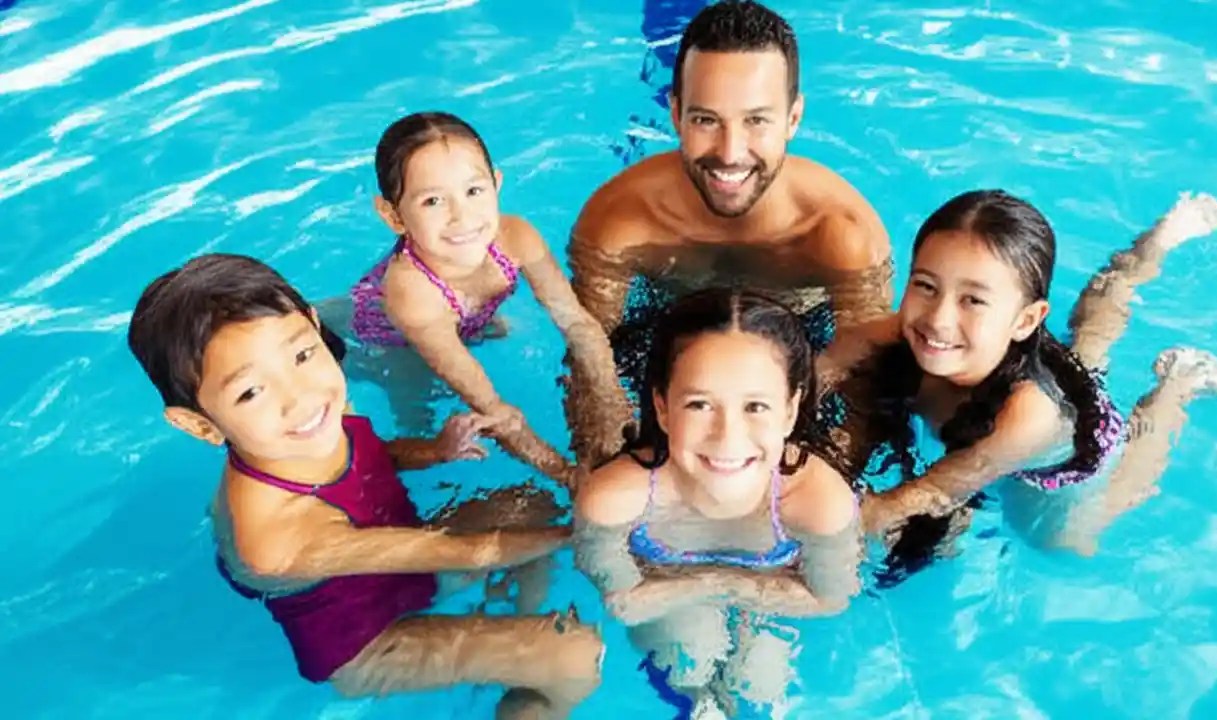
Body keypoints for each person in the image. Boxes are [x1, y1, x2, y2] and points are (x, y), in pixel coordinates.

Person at [127, 253, 602, 718]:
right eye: (251, 391)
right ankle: (529, 704)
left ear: (315, 326)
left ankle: (510, 628)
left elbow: (371, 453)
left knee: (529, 504)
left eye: (301, 354)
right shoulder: (276, 537)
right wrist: (591, 529)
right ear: (200, 425)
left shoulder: (319, 412)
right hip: (370, 645)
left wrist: (434, 450)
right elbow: (468, 552)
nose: (301, 395)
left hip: (404, 576)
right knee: (578, 653)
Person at [827, 190, 1217, 580]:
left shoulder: (1028, 417)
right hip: (1042, 369)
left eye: (973, 300)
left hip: (1068, 447)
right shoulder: (899, 334)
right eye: (926, 286)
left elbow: (938, 489)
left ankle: (1182, 383)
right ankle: (1158, 242)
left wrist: (832, 528)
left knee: (1065, 540)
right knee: (1088, 342)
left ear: (1025, 319)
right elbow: (809, 374)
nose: (939, 318)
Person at [566, 0, 893, 415]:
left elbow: (864, 384)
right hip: (665, 327)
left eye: (756, 120)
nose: (730, 152)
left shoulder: (841, 234)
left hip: (800, 341)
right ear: (675, 113)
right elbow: (589, 369)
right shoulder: (620, 223)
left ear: (794, 118)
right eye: (706, 120)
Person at [574, 288, 863, 717]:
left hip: (732, 597)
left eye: (755, 406)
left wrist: (721, 586)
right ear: (662, 406)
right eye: (699, 404)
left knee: (760, 683)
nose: (727, 435)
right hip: (711, 598)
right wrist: (707, 590)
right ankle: (694, 700)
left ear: (790, 410)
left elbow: (830, 599)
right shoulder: (616, 500)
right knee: (688, 656)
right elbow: (623, 604)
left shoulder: (817, 503)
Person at [333, 111, 631, 479]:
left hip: (459, 320)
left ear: (496, 184)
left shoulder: (516, 237)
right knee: (419, 415)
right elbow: (490, 407)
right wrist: (565, 475)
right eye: (432, 201)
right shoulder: (412, 295)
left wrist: (615, 408)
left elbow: (577, 323)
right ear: (393, 216)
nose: (462, 216)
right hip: (390, 343)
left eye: (474, 191)